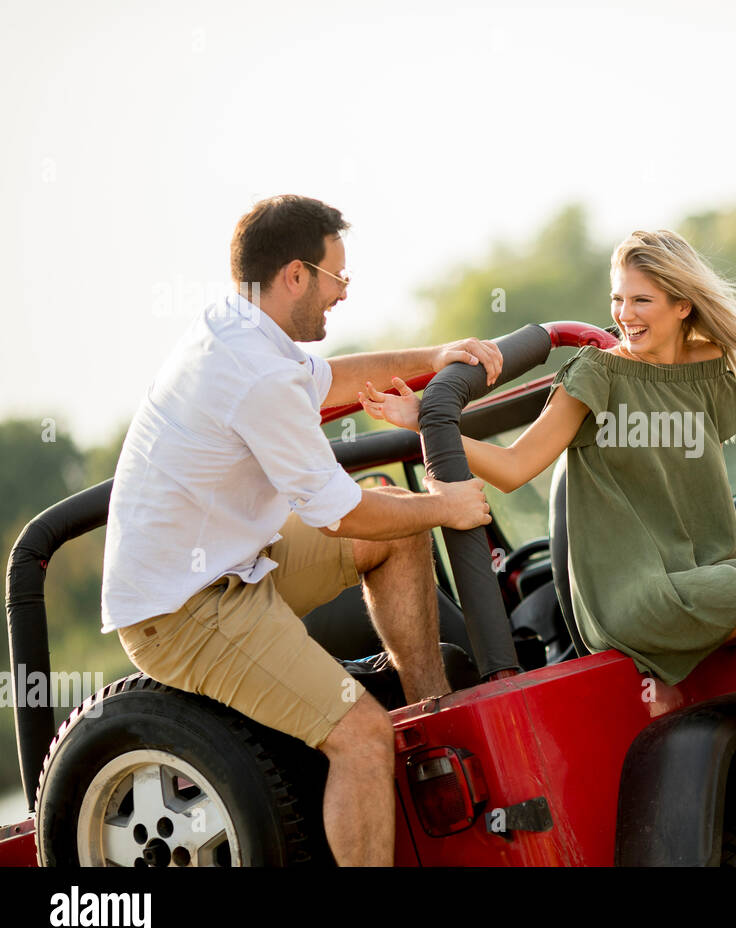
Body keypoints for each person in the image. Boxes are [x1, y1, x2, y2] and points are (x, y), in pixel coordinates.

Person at [360, 228, 736, 864]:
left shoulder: (708, 369)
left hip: (699, 567)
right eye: (617, 301)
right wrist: (429, 425)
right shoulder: (596, 372)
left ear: (683, 305)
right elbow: (518, 466)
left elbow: (725, 345)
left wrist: (699, 335)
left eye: (642, 301)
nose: (623, 316)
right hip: (630, 588)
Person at [101, 194, 503, 866]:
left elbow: (332, 380)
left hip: (236, 565)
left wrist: (435, 355)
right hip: (183, 611)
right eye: (338, 279)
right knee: (360, 735)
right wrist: (446, 506)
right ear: (295, 275)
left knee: (393, 527)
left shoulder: (244, 329)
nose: (343, 295)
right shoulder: (253, 370)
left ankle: (432, 713)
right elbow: (340, 514)